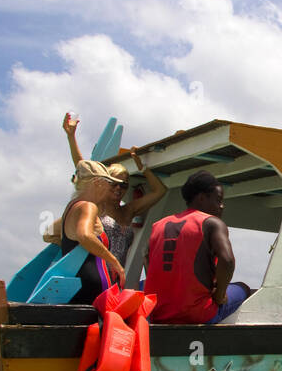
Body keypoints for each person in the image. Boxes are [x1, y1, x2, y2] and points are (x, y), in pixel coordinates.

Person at [145, 170, 251, 324]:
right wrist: (220, 294)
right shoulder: (211, 223)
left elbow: (146, 258)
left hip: (157, 313)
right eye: (218, 200)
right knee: (243, 288)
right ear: (202, 198)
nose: (222, 206)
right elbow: (227, 261)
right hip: (197, 314)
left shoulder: (159, 225)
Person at [61, 112, 166, 263]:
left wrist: (143, 168)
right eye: (113, 183)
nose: (118, 188)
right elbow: (83, 168)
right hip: (97, 272)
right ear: (103, 184)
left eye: (124, 185)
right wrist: (71, 137)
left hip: (116, 277)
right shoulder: (96, 206)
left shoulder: (127, 211)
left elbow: (160, 191)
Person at [57, 160, 129, 304]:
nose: (110, 189)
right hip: (90, 293)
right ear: (98, 183)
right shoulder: (88, 206)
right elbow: (84, 235)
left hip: (78, 287)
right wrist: (114, 261)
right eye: (109, 183)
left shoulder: (72, 206)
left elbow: (49, 233)